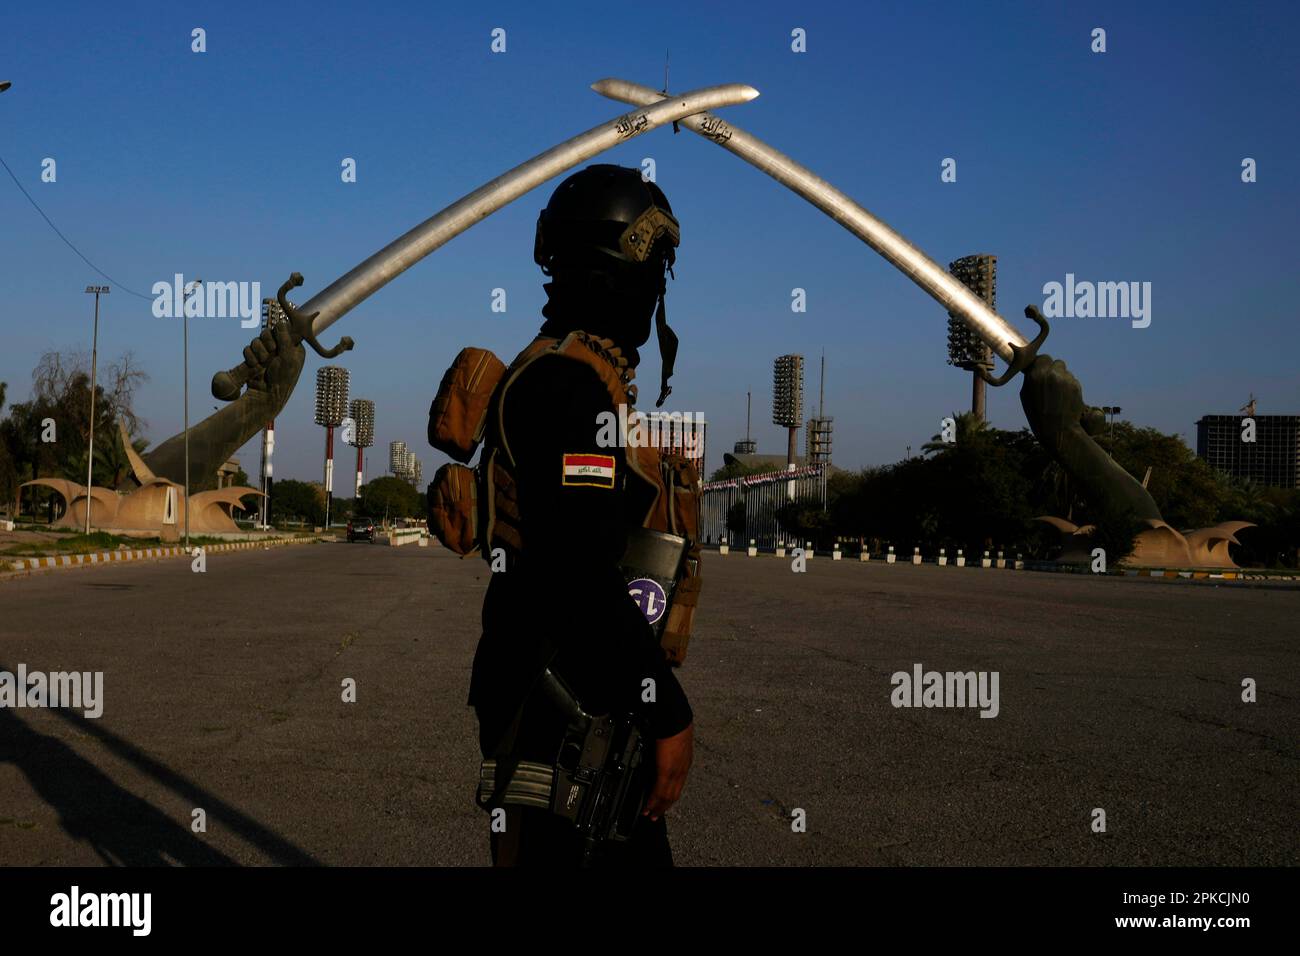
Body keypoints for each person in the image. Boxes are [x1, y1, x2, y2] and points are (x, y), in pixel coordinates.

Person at [468, 164, 695, 867]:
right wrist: (668, 710)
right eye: (649, 275)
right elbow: (580, 572)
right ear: (611, 276)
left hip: (575, 704)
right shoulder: (567, 388)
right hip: (561, 714)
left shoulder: (563, 375)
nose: (655, 296)